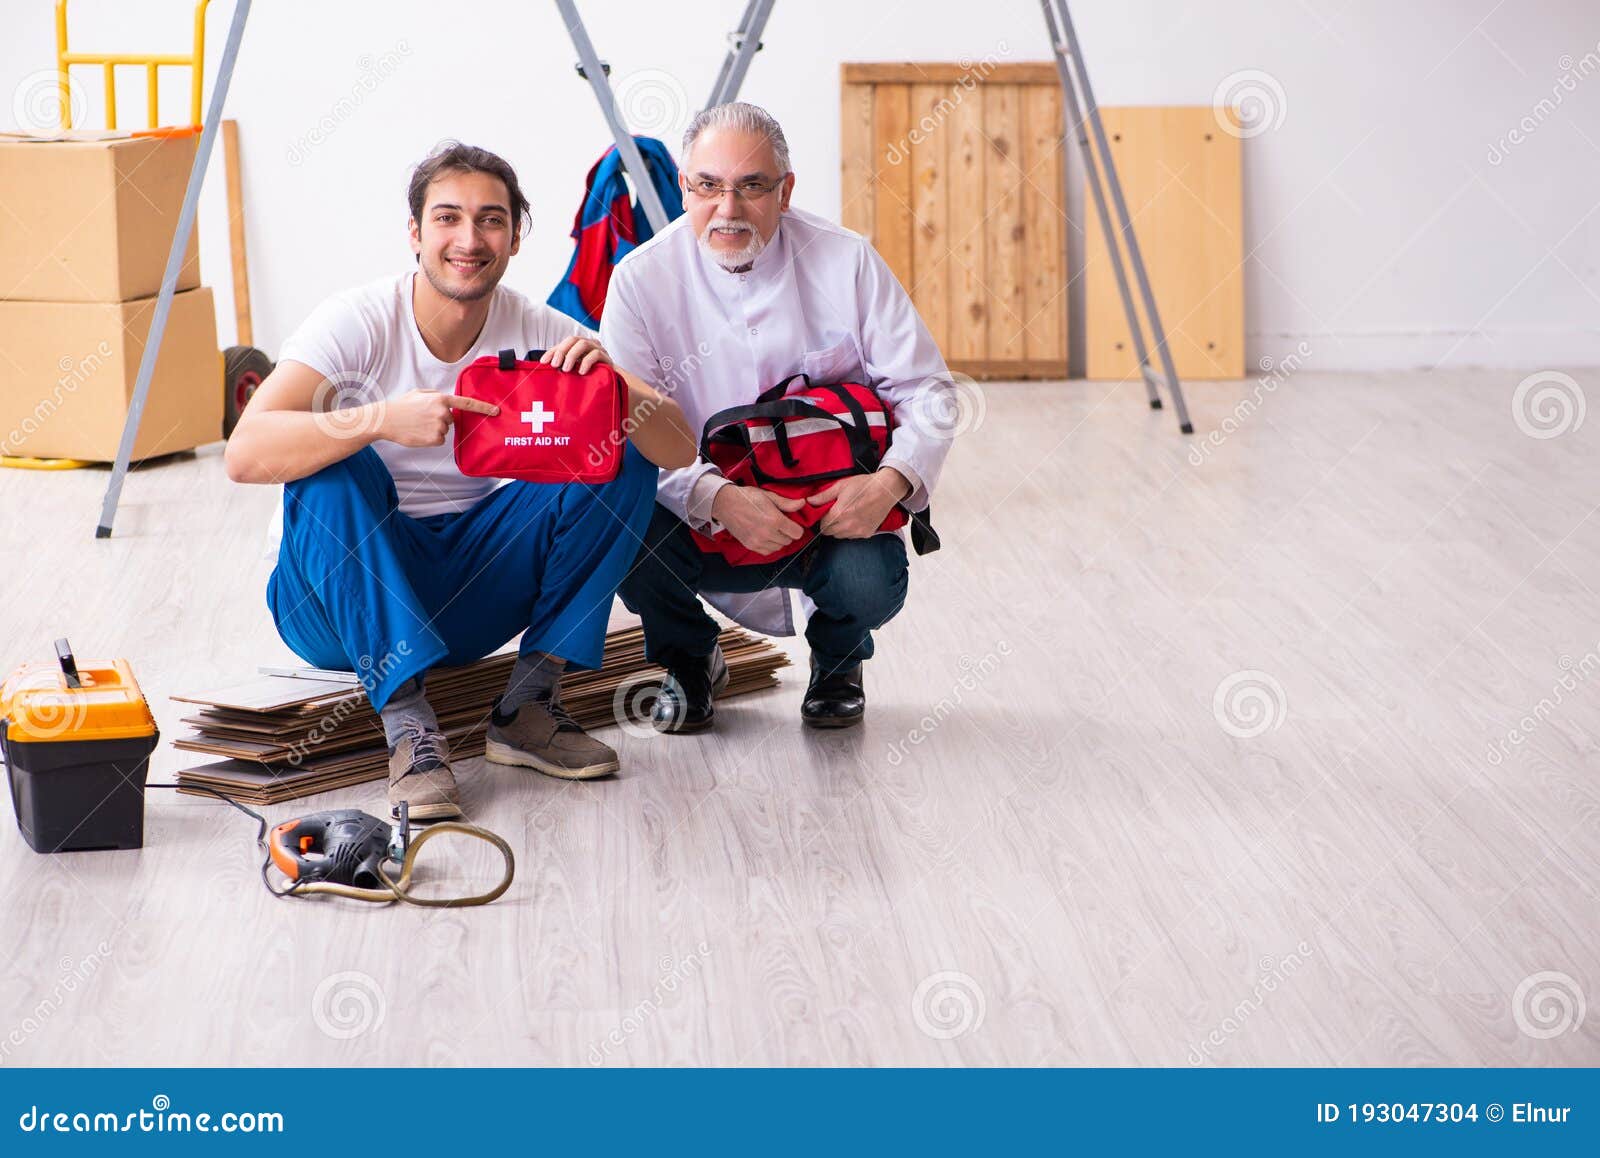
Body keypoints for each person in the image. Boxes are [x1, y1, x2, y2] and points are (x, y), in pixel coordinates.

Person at [224, 141, 695, 819]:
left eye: (491, 220)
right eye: (447, 218)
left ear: (515, 238)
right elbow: (244, 455)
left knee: (621, 449)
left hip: (463, 593)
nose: (468, 239)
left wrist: (614, 382)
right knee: (337, 464)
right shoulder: (356, 321)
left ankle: (528, 708)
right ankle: (410, 728)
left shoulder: (539, 329)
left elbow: (676, 447)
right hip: (329, 600)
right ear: (415, 234)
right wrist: (379, 420)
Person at [601, 103, 955, 732]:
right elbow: (627, 431)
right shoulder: (638, 280)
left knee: (870, 580)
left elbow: (927, 390)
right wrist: (717, 496)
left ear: (786, 191)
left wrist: (889, 483)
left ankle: (838, 660)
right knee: (613, 521)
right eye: (708, 186)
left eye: (751, 186)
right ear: (684, 187)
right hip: (702, 520)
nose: (728, 208)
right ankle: (690, 656)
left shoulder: (846, 261)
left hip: (829, 519)